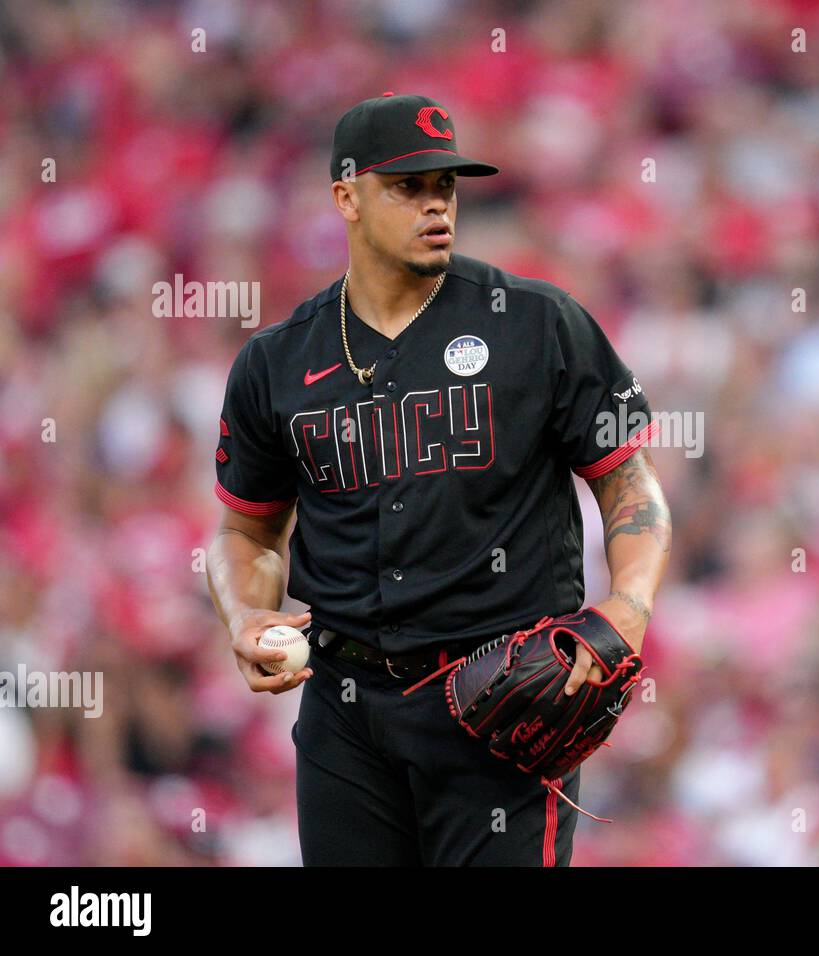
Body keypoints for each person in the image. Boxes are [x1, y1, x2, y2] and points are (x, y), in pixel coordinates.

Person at [204, 92, 671, 866]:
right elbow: (245, 528)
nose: (435, 205)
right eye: (407, 187)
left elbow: (630, 484)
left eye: (445, 186)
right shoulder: (277, 361)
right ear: (346, 198)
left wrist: (629, 604)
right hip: (344, 710)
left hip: (497, 698)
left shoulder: (535, 323)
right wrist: (245, 614)